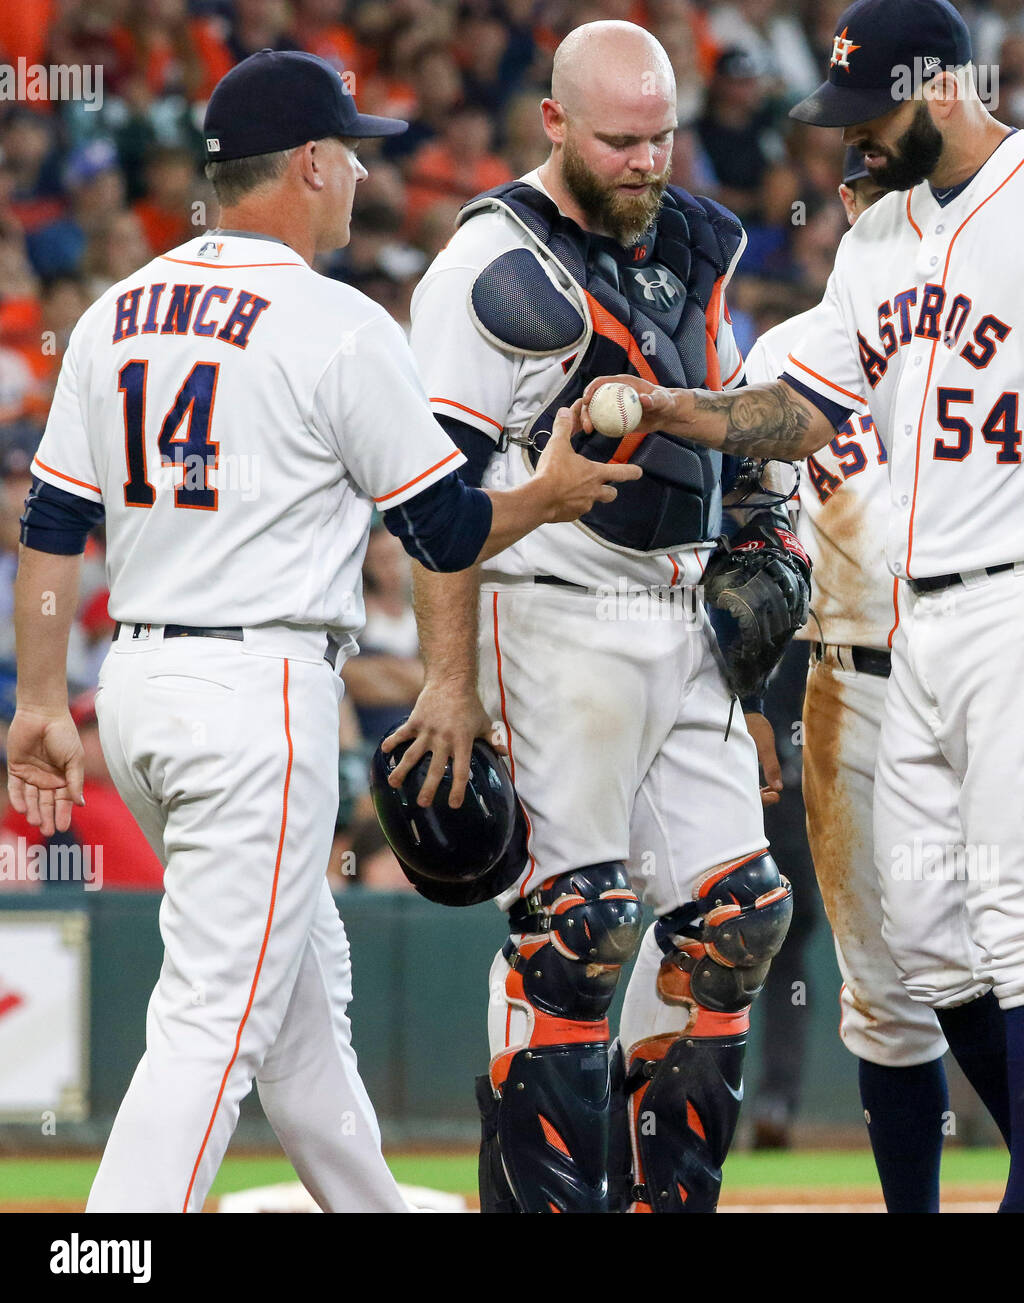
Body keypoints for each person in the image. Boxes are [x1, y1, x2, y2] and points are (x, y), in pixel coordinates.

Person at [582, 0, 1024, 1212]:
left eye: (871, 113)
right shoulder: (875, 243)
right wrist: (679, 411)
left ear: (939, 86)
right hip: (916, 621)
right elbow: (802, 413)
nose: (850, 142)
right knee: (923, 946)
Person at [5, 49, 637, 1214]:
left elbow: (51, 523)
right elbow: (443, 526)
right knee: (216, 1024)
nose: (359, 173)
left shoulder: (116, 310)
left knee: (297, 1008)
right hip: (257, 693)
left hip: (138, 690)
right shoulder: (335, 322)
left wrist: (40, 698)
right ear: (305, 163)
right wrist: (542, 497)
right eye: (350, 151)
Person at [405, 20, 793, 1213]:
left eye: (662, 135)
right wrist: (450, 680)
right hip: (554, 603)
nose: (645, 160)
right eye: (621, 139)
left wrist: (754, 660)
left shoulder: (692, 241)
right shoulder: (488, 264)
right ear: (555, 124)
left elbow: (731, 433)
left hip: (685, 619)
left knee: (738, 918)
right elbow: (437, 501)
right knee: (576, 928)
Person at [743, 146, 1024, 1210]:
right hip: (848, 685)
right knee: (889, 988)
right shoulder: (787, 354)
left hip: (1015, 645)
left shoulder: (1010, 318)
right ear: (848, 201)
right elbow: (739, 540)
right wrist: (741, 701)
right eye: (885, 190)